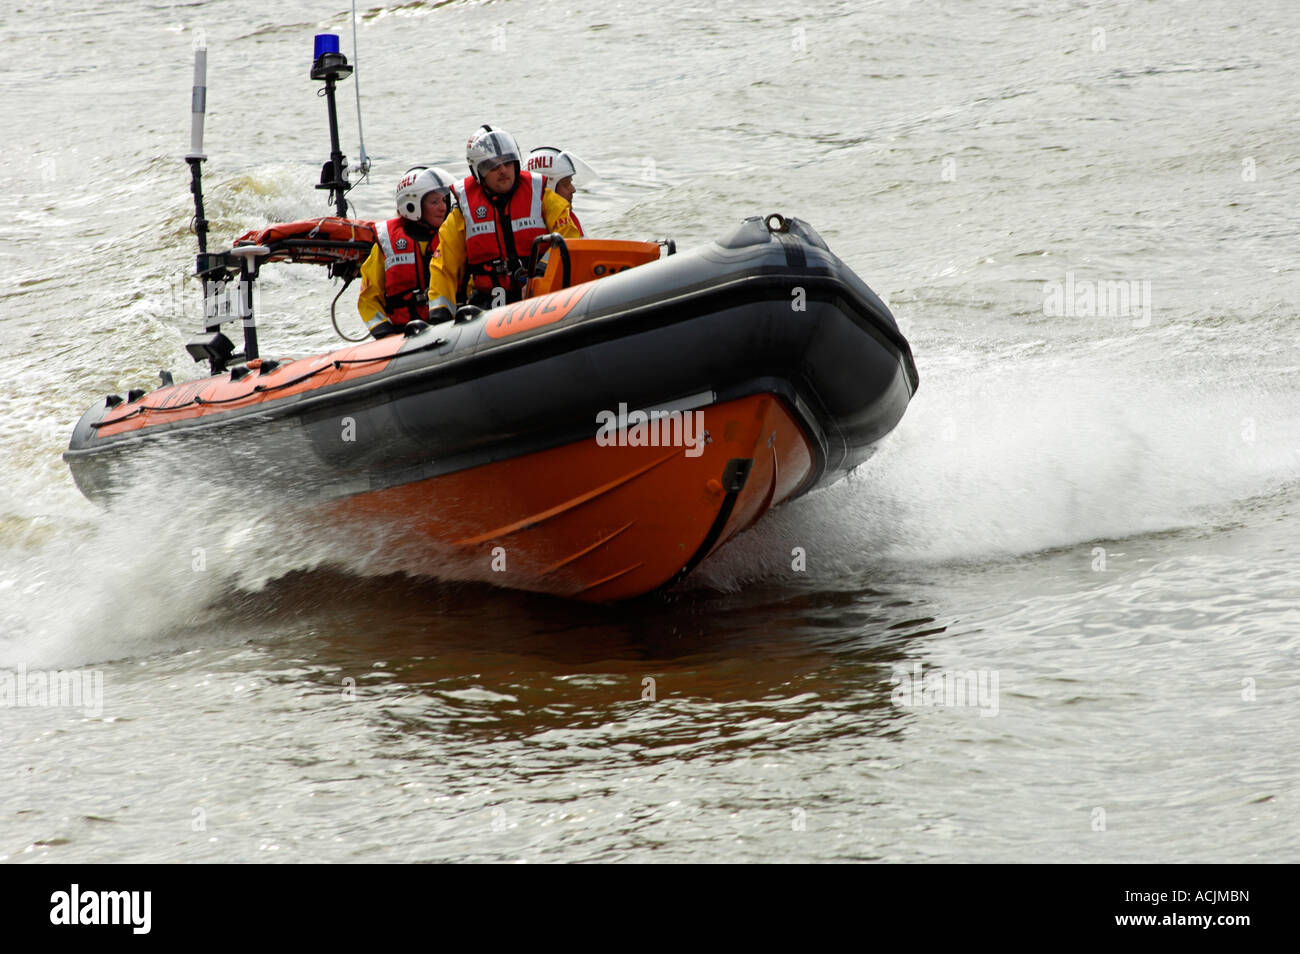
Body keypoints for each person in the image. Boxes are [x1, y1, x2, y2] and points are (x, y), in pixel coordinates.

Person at [426, 126, 581, 317]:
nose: (502, 170)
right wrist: (439, 314)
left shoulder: (541, 195)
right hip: (487, 306)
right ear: (477, 172)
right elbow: (443, 266)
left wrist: (542, 272)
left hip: (542, 294)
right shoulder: (463, 211)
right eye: (492, 165)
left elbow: (570, 237)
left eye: (507, 163)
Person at [357, 165, 457, 338]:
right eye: (434, 202)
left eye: (444, 201)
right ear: (411, 205)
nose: (443, 208)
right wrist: (384, 334)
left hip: (451, 327)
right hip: (402, 335)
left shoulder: (452, 234)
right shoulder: (387, 241)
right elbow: (368, 298)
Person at [526, 146, 596, 237]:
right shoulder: (525, 230)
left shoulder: (570, 220)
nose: (573, 189)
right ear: (547, 189)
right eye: (566, 184)